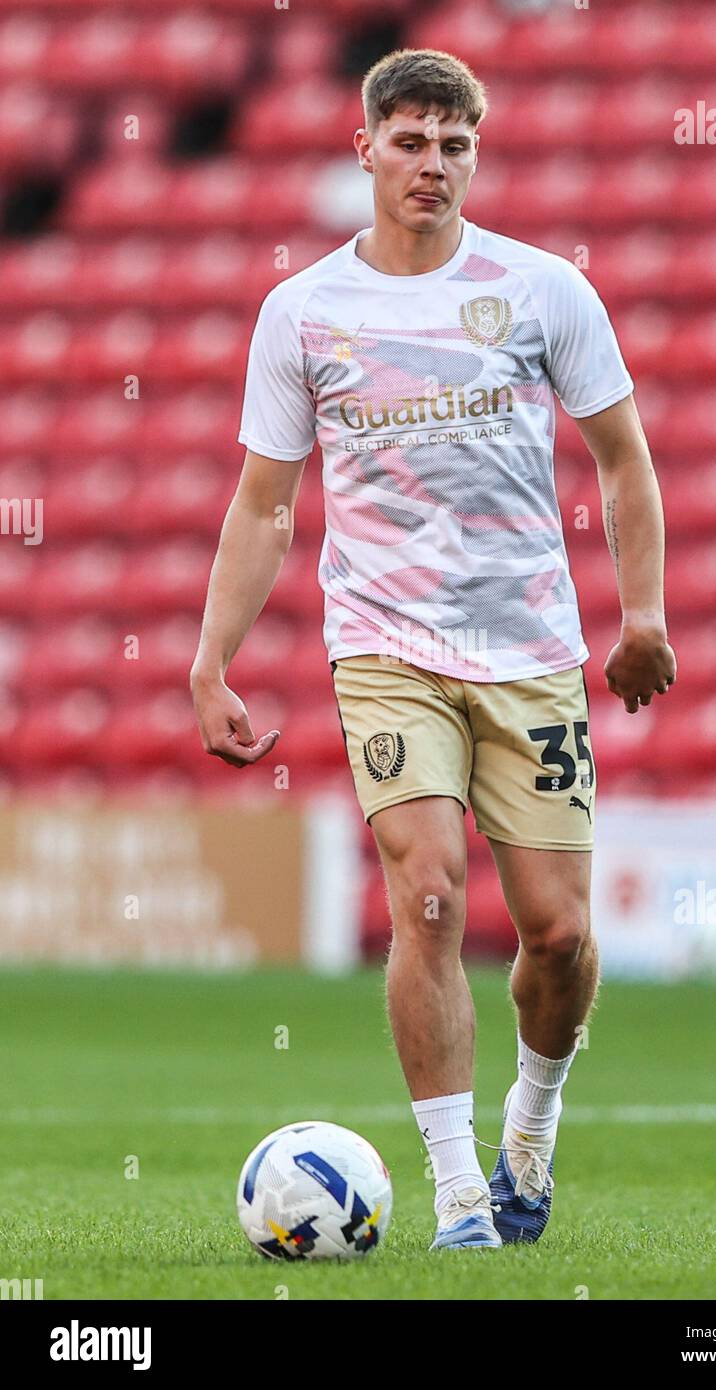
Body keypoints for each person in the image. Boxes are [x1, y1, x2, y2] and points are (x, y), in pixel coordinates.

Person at [190, 47, 676, 1252]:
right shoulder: (302, 311)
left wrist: (643, 616)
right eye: (409, 142)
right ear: (365, 149)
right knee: (427, 891)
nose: (432, 164)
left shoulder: (542, 290)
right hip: (385, 646)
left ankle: (529, 1128)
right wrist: (210, 659)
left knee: (558, 935)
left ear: (475, 154)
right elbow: (264, 504)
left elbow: (622, 459)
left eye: (453, 145)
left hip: (529, 649)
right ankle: (459, 1195)